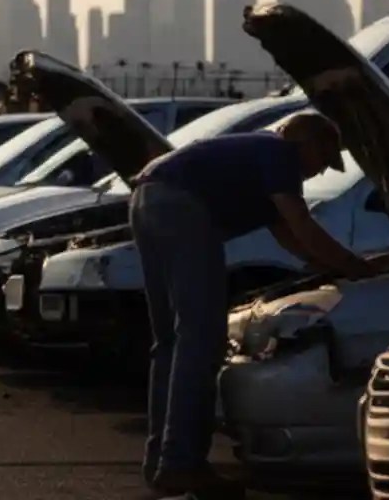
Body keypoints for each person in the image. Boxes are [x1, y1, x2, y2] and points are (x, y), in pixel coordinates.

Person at [129, 112, 369, 497]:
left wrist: (326, 267)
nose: (321, 172)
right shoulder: (280, 154)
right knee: (201, 339)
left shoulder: (260, 156)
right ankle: (181, 465)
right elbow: (302, 225)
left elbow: (288, 235)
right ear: (304, 143)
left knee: (171, 345)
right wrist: (356, 268)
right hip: (181, 205)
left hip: (147, 196)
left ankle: (162, 463)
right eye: (324, 160)